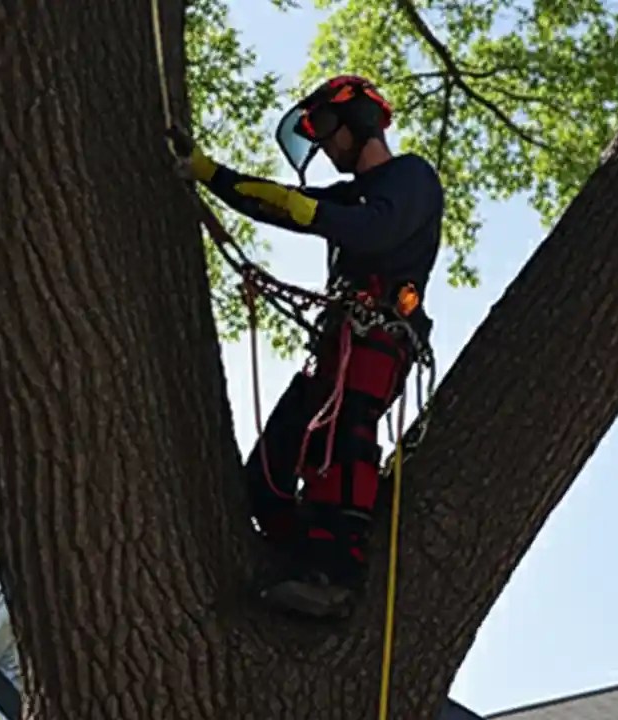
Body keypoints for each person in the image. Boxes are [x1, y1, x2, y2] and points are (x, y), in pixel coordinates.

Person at [169, 75, 443, 619]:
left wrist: (310, 213)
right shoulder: (347, 197)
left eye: (325, 129)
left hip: (378, 342)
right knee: (269, 469)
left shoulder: (411, 178)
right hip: (337, 344)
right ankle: (297, 550)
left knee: (345, 439)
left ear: (358, 120)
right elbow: (281, 206)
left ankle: (336, 572)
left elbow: (372, 231)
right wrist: (208, 174)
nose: (323, 144)